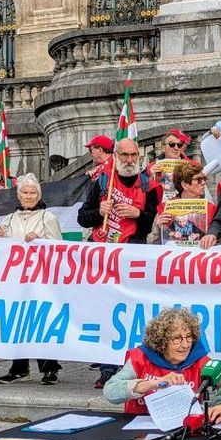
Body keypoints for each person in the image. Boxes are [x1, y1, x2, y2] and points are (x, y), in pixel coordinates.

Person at [79, 138, 163, 387]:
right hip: (104, 256)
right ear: (115, 155)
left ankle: (134, 364)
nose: (129, 160)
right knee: (105, 311)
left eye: (133, 155)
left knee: (131, 312)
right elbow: (83, 217)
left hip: (133, 255)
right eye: (124, 155)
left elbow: (156, 222)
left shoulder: (148, 184)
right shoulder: (102, 181)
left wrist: (139, 215)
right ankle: (107, 368)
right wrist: (99, 212)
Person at [0, 174, 64, 385]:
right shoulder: (10, 219)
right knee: (18, 321)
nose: (29, 196)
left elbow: (58, 247)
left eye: (33, 193)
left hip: (41, 279)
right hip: (17, 279)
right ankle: (19, 367)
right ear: (18, 194)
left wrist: (40, 240)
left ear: (39, 195)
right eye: (25, 192)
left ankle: (49, 367)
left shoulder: (47, 218)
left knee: (42, 321)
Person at [102, 308, 212, 414]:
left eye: (189, 337)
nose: (185, 345)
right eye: (177, 339)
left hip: (186, 428)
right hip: (142, 426)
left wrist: (218, 404)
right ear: (162, 341)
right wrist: (152, 384)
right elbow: (110, 391)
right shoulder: (140, 358)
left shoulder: (202, 362)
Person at [148, 161, 214, 245]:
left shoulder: (211, 208)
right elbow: (151, 244)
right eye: (198, 179)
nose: (204, 183)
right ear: (184, 185)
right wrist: (158, 228)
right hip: (173, 256)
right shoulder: (165, 210)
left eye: (204, 179)